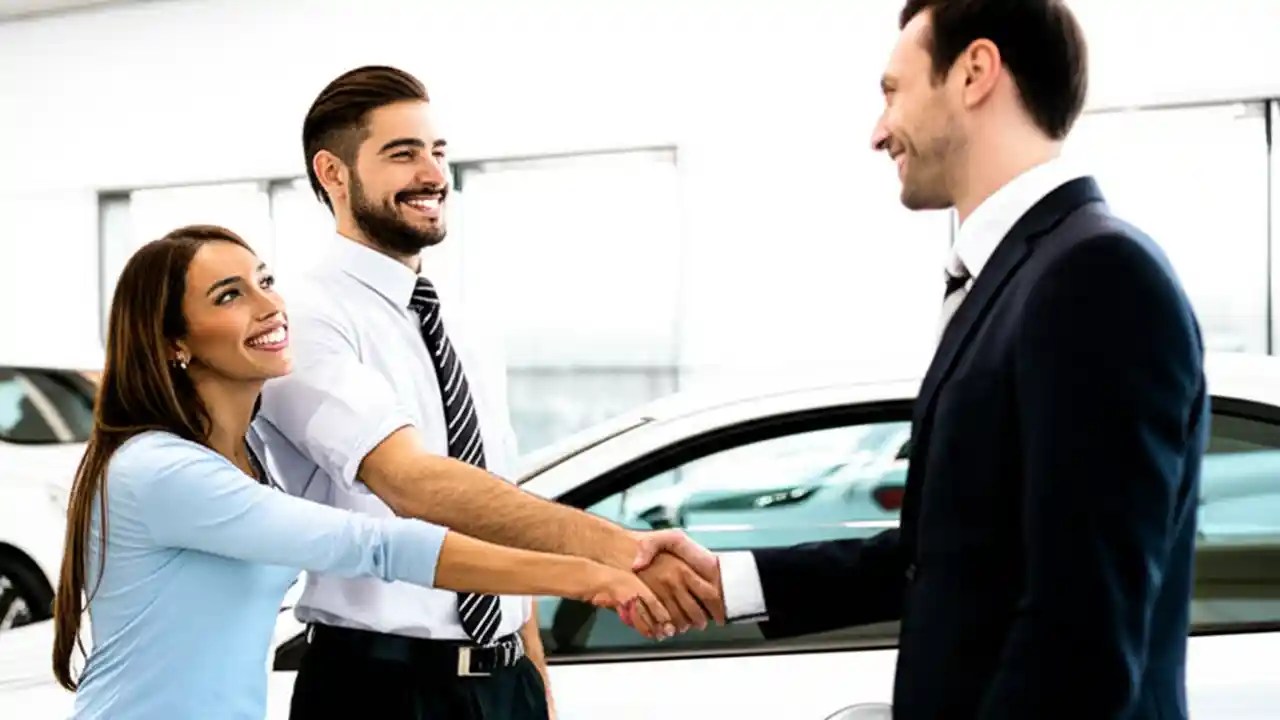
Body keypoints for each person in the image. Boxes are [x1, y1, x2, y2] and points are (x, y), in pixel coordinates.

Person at [644, 1, 1209, 718]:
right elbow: (944, 556)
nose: (879, 131)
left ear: (974, 72)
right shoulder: (1020, 275)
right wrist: (729, 582)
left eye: (892, 91)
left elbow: (1082, 635)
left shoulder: (1096, 277)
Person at [50, 226, 672, 720]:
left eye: (265, 281)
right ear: (171, 343)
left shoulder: (250, 460)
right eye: (230, 295)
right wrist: (591, 573)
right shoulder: (159, 471)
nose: (270, 306)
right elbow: (374, 544)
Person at [256, 65, 717, 720]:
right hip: (381, 690)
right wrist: (624, 552)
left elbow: (493, 495)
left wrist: (531, 674)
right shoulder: (303, 316)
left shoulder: (457, 320)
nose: (434, 174)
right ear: (333, 174)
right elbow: (414, 484)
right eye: (403, 153)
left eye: (437, 152)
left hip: (502, 682)